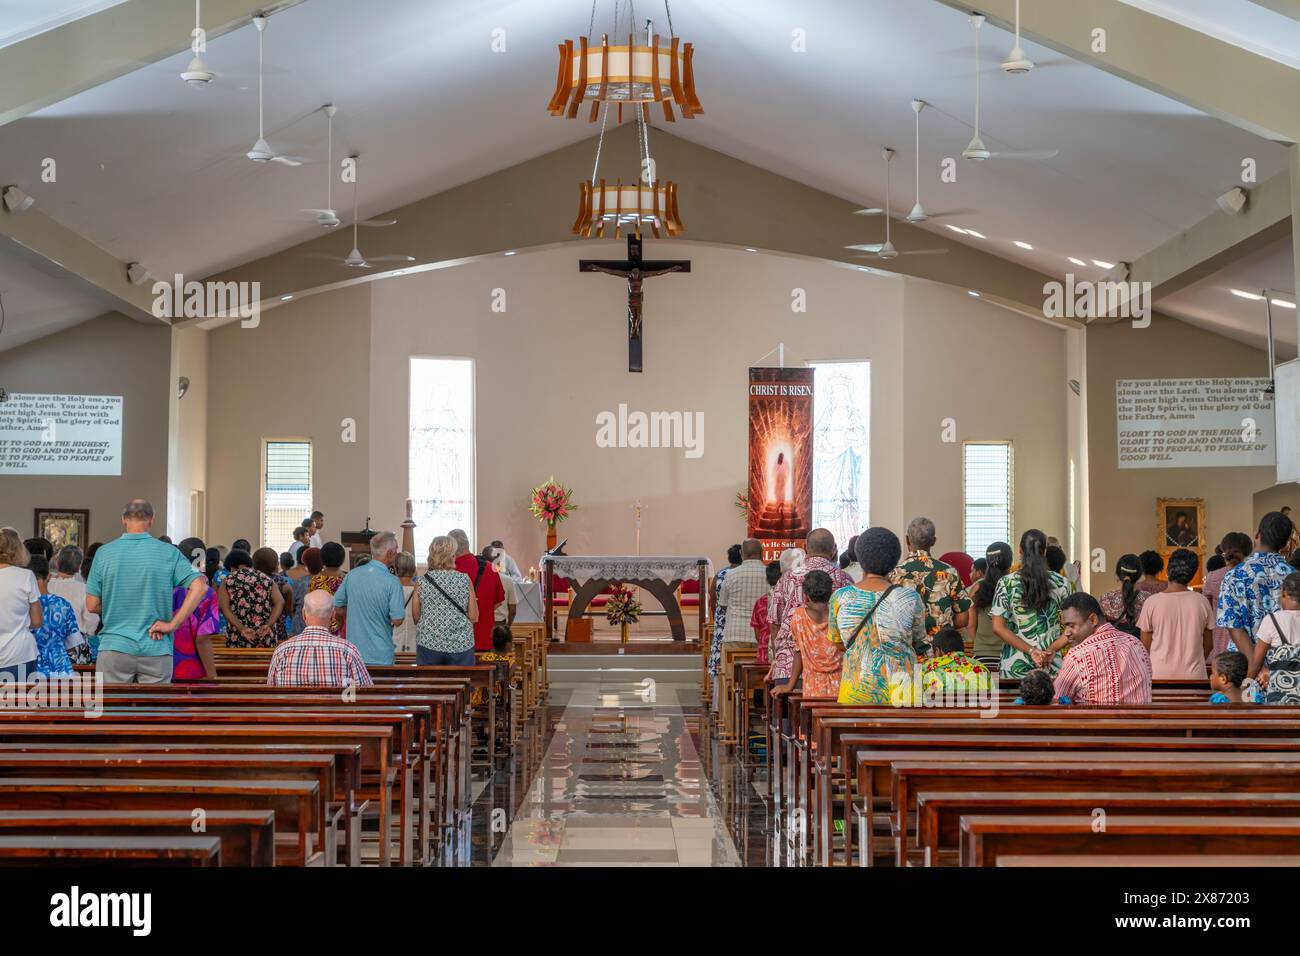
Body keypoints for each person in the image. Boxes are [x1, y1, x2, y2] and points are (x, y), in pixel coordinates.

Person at [84, 500, 207, 685]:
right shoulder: (168, 553)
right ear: (151, 520)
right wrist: (173, 625)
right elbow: (200, 586)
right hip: (156, 646)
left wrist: (117, 606)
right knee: (154, 711)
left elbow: (92, 605)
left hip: (115, 646)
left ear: (124, 520)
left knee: (113, 712)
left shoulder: (104, 553)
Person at [830, 527, 925, 705]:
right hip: (903, 695)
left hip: (856, 693)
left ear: (859, 557)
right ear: (894, 561)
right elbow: (920, 643)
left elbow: (837, 643)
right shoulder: (910, 598)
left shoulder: (840, 598)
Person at [767, 529, 852, 685]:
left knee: (784, 709)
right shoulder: (845, 580)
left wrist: (777, 658)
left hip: (788, 665)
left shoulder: (786, 578)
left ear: (805, 547)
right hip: (832, 668)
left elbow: (775, 625)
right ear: (834, 549)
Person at [991, 529, 1073, 679]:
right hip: (1050, 664)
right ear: (1045, 551)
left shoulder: (1006, 583)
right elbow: (1073, 627)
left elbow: (998, 627)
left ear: (1020, 550)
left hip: (1014, 666)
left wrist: (1031, 651)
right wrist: (1050, 650)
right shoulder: (1062, 583)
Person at [1053, 591, 1153, 704]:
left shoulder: (1077, 656)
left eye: (1071, 626)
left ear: (1093, 620)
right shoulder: (1136, 644)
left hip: (1095, 721)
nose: (1066, 633)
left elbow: (1058, 699)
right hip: (1140, 720)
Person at [1217, 512, 1296, 654]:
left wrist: (1257, 666)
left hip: (1244, 664)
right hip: (1286, 664)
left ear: (1258, 534)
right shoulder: (1294, 576)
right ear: (1285, 543)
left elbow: (1234, 627)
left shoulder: (1234, 576)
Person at [889, 517, 970, 654]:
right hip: (941, 654)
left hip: (907, 654)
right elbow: (963, 619)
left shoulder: (893, 574)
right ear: (933, 541)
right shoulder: (949, 572)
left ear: (907, 540)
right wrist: (941, 624)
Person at [267, 590, 373, 688]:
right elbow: (366, 691)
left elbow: (271, 691)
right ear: (333, 615)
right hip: (335, 708)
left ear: (303, 614)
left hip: (293, 708)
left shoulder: (282, 651)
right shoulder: (348, 650)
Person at [1137, 547, 1212, 680]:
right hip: (1195, 677)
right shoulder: (1202, 602)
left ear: (1167, 571)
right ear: (1193, 574)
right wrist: (1195, 661)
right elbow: (1209, 644)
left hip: (1159, 675)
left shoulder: (1152, 602)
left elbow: (1145, 646)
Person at [334, 531, 405, 667]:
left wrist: (355, 615)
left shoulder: (352, 575)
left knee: (354, 689)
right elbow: (397, 620)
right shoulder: (392, 581)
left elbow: (338, 606)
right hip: (380, 653)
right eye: (395, 552)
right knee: (380, 688)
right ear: (390, 553)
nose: (396, 555)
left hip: (354, 652)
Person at [715, 539, 770, 710]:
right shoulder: (770, 573)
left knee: (729, 679)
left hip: (735, 636)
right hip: (762, 638)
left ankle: (730, 720)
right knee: (761, 679)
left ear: (742, 554)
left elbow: (722, 604)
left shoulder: (730, 575)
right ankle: (761, 714)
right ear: (762, 553)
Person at [772, 569, 839, 699]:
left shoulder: (799, 616)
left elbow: (798, 652)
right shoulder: (838, 614)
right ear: (831, 593)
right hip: (839, 687)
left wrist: (789, 685)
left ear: (806, 596)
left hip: (812, 690)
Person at [413, 534, 479, 665]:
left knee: (430, 685)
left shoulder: (422, 582)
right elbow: (473, 616)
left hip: (428, 644)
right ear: (451, 556)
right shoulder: (464, 580)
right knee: (461, 684)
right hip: (461, 646)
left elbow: (416, 617)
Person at [170, 537, 222, 681]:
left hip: (159, 665)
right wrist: (212, 674)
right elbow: (203, 639)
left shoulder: (163, 586)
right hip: (191, 668)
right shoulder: (206, 592)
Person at [1248, 570, 1300, 705]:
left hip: (1280, 699)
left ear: (1283, 592)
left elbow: (1256, 663)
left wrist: (1243, 688)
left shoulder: (1272, 620)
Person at [450, 529, 504, 652]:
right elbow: (499, 601)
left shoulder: (449, 571)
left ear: (452, 548)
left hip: (455, 642)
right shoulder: (491, 568)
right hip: (484, 638)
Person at [27, 555, 76, 678]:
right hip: (59, 666)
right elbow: (72, 644)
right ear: (48, 576)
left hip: (30, 666)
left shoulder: (22, 605)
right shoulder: (63, 604)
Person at [966, 541, 1011, 671]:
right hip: (1009, 654)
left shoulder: (977, 587)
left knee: (984, 691)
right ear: (1009, 563)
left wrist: (980, 644)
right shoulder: (1014, 585)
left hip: (981, 655)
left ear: (987, 562)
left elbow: (970, 625)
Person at [48, 545, 96, 664]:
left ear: (57, 563)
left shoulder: (47, 585)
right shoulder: (84, 589)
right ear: (79, 567)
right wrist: (88, 633)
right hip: (75, 645)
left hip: (49, 642)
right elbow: (91, 619)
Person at [708, 544, 743, 682]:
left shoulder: (720, 575)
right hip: (740, 626)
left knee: (721, 661)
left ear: (729, 558)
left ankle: (719, 694)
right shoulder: (742, 574)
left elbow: (712, 601)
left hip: (723, 625)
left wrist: (716, 619)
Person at [922, 626, 990, 697]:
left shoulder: (927, 669)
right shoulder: (980, 667)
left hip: (938, 707)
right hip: (974, 707)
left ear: (938, 651)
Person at [1099, 553, 1146, 637]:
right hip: (1138, 648)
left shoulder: (1104, 599)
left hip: (1113, 648)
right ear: (1140, 576)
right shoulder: (1148, 600)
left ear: (1117, 576)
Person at [308, 542, 348, 637]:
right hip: (343, 627)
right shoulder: (347, 579)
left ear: (322, 559)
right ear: (342, 559)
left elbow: (310, 605)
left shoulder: (315, 580)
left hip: (320, 626)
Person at [254, 547, 293, 643]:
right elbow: (289, 609)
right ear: (276, 564)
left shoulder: (251, 580)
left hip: (254, 627)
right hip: (277, 628)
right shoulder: (282, 582)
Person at [751, 560, 782, 667]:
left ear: (767, 580)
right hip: (783, 655)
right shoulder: (788, 600)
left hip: (764, 654)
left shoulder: (760, 602)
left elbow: (757, 634)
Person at [289, 547, 320, 636]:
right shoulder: (329, 582)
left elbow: (292, 608)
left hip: (300, 629)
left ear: (305, 563)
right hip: (323, 628)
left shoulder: (300, 582)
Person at [483, 546, 518, 625]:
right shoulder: (507, 580)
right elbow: (513, 610)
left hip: (482, 622)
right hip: (500, 623)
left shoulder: (477, 577)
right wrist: (508, 626)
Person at [393, 550, 419, 654]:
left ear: (396, 570)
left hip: (394, 644)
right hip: (415, 646)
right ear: (414, 569)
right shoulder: (420, 591)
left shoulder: (390, 591)